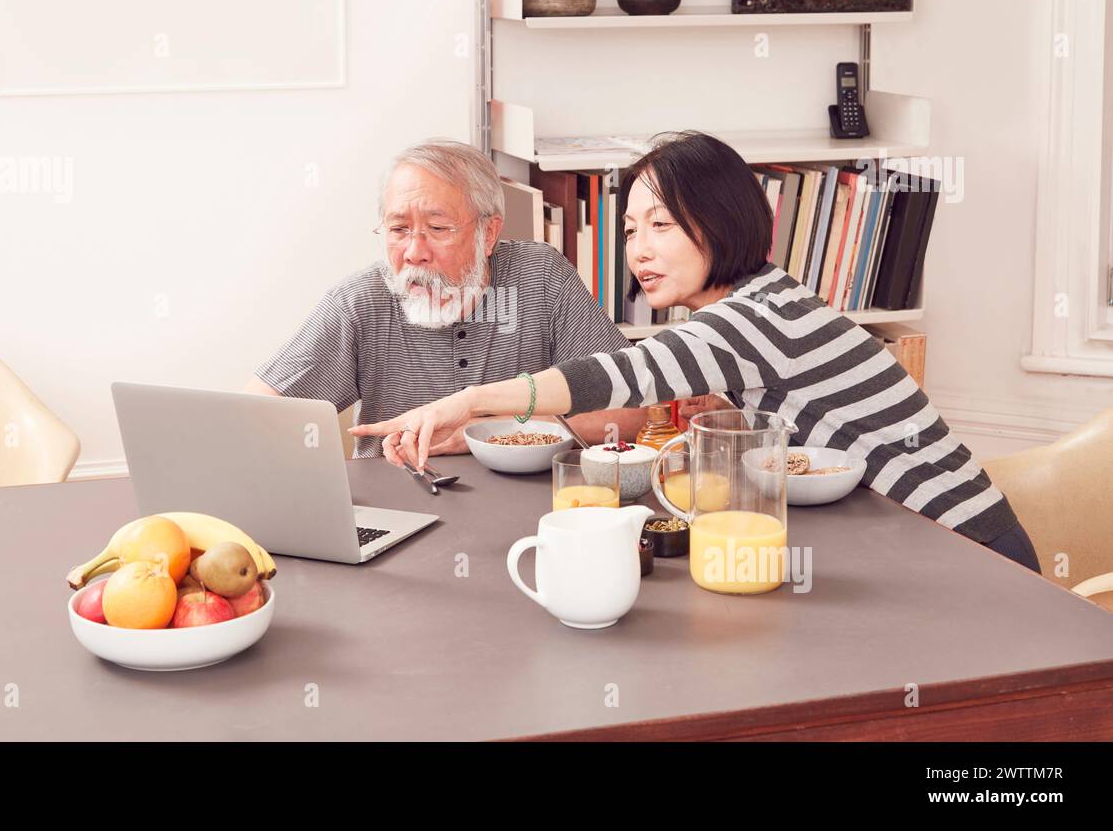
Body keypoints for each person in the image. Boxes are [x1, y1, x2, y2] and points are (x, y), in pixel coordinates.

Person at [351, 131, 1042, 573]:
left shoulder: (755, 318)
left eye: (662, 225)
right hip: (922, 548)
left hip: (975, 558)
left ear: (719, 223)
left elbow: (618, 378)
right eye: (629, 229)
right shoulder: (767, 304)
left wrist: (467, 403)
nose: (639, 250)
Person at [246, 139, 645, 458]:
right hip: (396, 509)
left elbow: (628, 414)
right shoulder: (360, 301)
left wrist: (488, 429)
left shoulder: (540, 277)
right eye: (398, 229)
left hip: (527, 511)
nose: (414, 252)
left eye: (437, 228)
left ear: (488, 235)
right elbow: (250, 421)